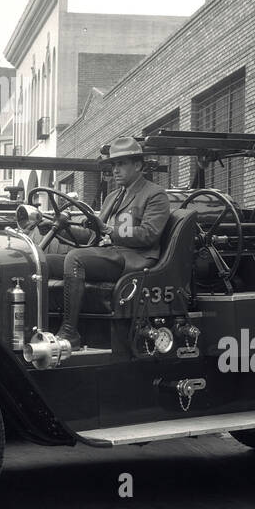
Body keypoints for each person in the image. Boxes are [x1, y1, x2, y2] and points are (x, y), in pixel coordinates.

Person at [51, 136, 170, 351]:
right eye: (114, 164)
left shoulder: (154, 194)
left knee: (75, 259)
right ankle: (43, 325)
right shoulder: (113, 196)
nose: (116, 169)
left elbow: (148, 234)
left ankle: (70, 332)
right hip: (111, 253)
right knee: (43, 262)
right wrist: (60, 226)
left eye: (122, 163)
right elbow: (93, 233)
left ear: (138, 165)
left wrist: (108, 230)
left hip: (134, 258)